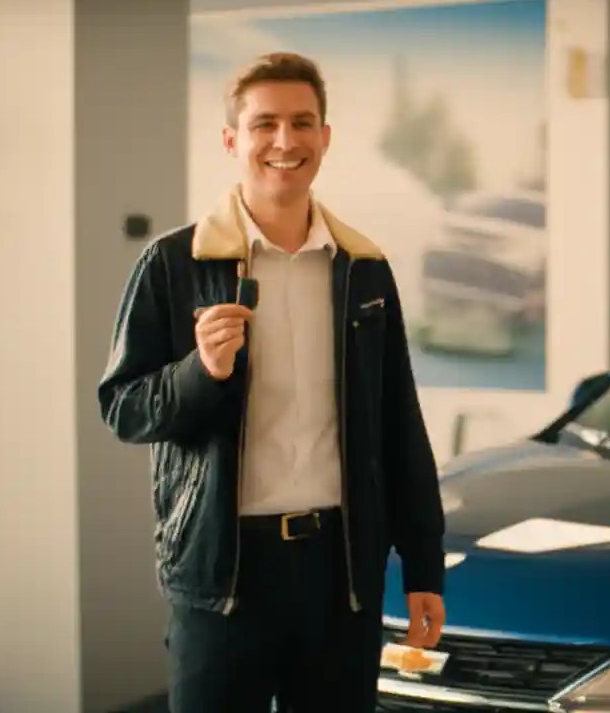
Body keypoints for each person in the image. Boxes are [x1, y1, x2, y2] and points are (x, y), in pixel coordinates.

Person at [97, 52, 446, 712]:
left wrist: (423, 565)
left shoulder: (364, 270)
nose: (285, 142)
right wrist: (202, 373)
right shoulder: (172, 266)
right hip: (223, 572)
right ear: (232, 140)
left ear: (325, 138)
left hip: (340, 573)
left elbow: (399, 421)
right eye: (264, 125)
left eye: (302, 123)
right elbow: (123, 408)